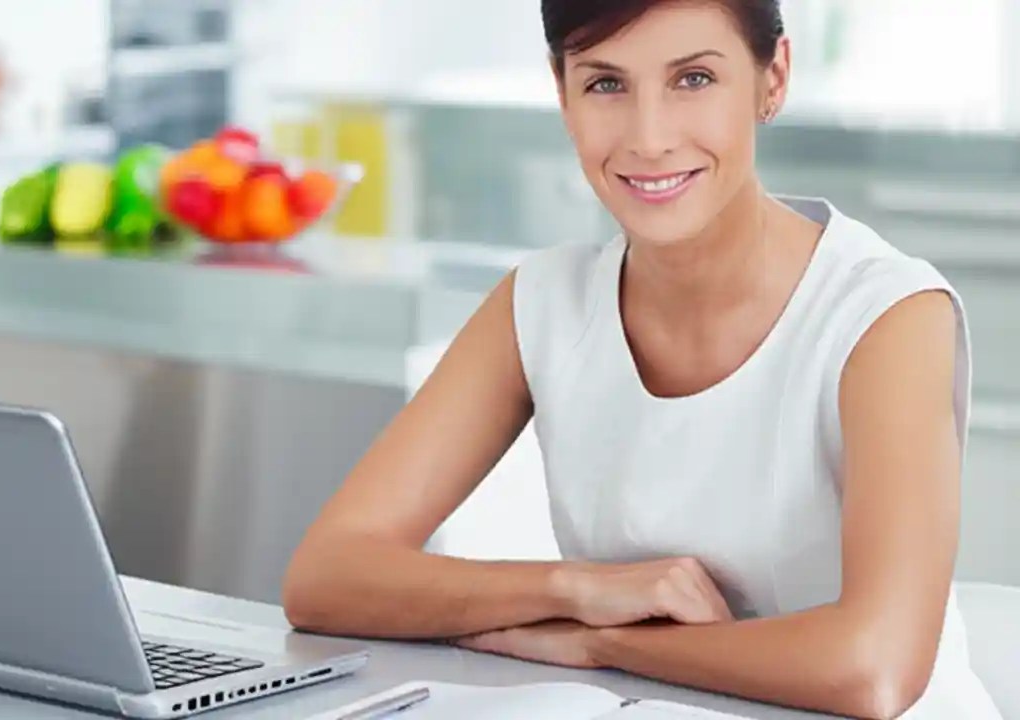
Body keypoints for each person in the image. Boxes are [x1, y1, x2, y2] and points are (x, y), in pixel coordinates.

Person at [281, 2, 1003, 718]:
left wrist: (603, 644)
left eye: (692, 79)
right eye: (605, 84)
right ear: (561, 91)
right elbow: (327, 577)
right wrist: (574, 589)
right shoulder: (543, 302)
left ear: (772, 78)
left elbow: (873, 670)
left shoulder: (886, 313)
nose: (648, 138)